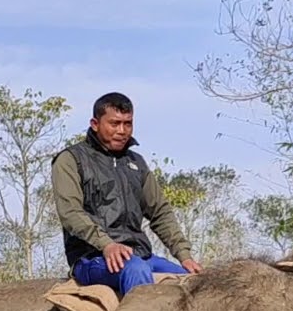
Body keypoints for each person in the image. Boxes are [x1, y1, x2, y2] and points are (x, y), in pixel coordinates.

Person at [51, 92, 202, 297]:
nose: (122, 131)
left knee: (197, 283)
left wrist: (184, 256)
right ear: (95, 124)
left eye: (127, 123)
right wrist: (107, 245)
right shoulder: (71, 160)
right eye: (114, 123)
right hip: (92, 257)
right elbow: (70, 213)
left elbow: (160, 212)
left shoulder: (136, 163)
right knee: (136, 269)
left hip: (140, 254)